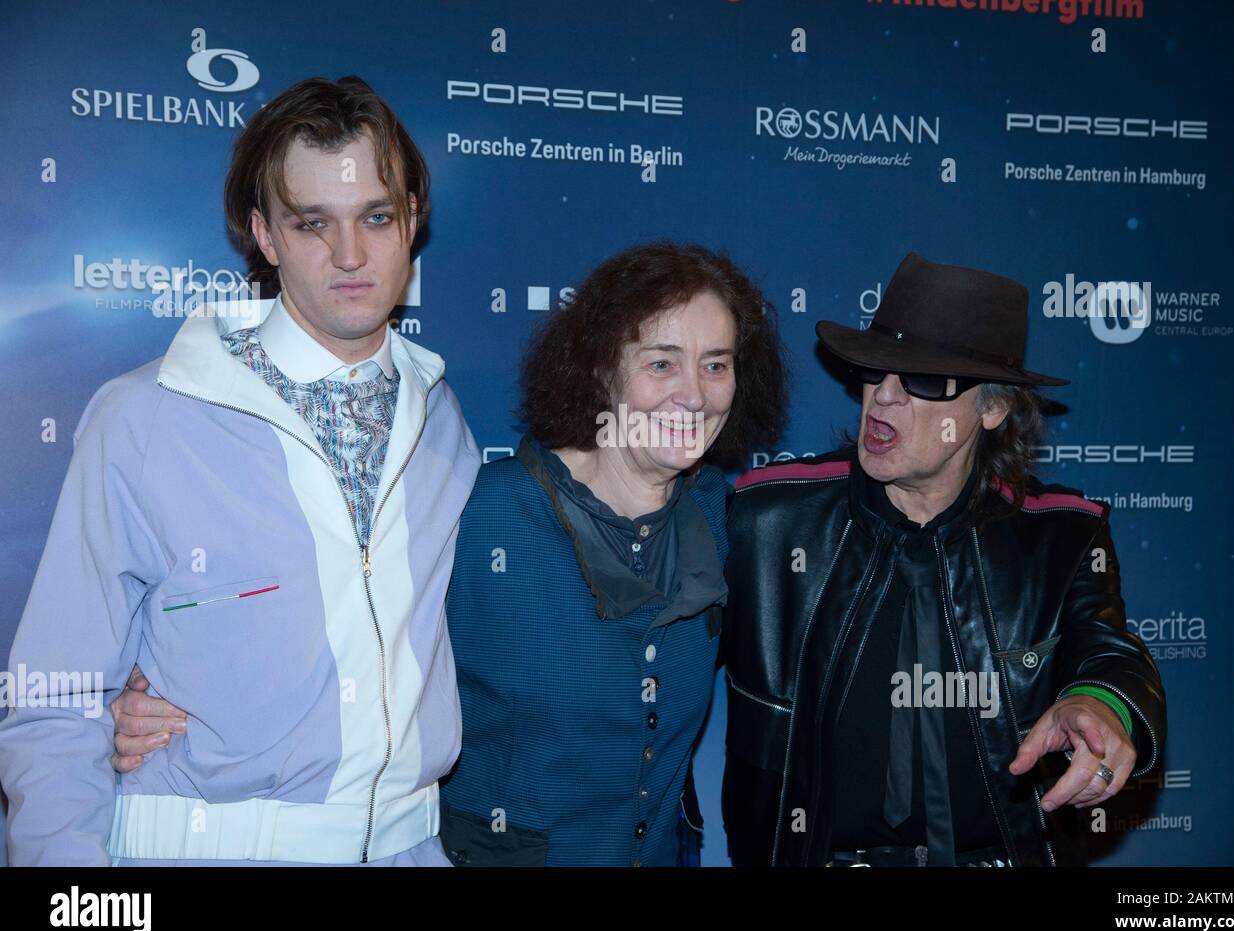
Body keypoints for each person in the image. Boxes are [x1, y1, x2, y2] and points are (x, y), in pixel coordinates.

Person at [109, 242, 790, 867]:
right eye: (662, 362)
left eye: (716, 365)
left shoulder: (713, 516)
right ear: (601, 368)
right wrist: (168, 700)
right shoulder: (485, 509)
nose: (693, 394)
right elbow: (344, 636)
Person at [0, 76, 480, 865]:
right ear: (265, 234)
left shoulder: (443, 423)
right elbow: (56, 703)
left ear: (413, 222)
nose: (351, 254)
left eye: (377, 217)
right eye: (313, 222)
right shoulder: (145, 417)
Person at [721, 251, 1167, 867]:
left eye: (925, 379)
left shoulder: (1062, 539)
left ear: (993, 408)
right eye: (877, 370)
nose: (884, 397)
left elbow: (1109, 654)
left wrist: (1098, 702)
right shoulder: (767, 522)